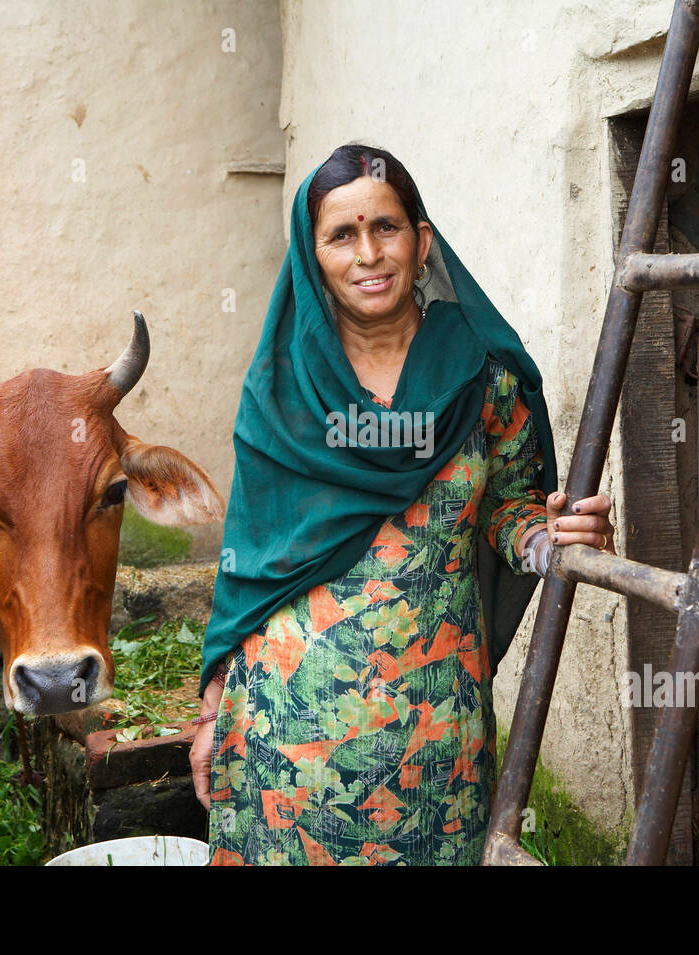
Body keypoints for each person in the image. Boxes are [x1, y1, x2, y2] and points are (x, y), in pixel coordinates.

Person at [190, 143, 614, 865]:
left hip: (432, 740)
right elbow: (250, 564)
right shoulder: (283, 392)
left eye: (385, 227)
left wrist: (553, 538)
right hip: (284, 741)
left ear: (421, 243)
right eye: (341, 235)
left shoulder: (480, 374)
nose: (368, 254)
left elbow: (508, 510)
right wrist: (211, 710)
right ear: (310, 253)